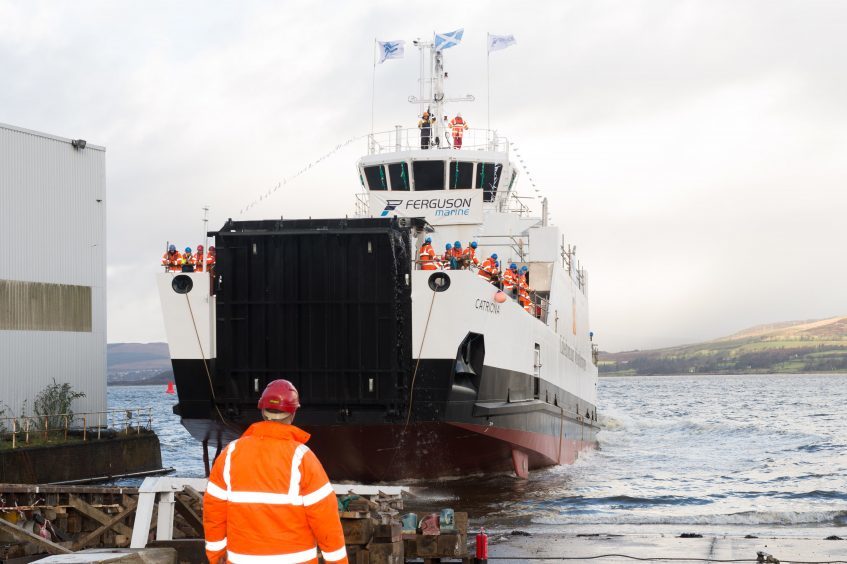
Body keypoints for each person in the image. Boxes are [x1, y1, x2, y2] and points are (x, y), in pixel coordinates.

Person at [204, 379, 348, 564]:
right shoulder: (302, 457)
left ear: (262, 411)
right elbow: (325, 519)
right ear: (293, 413)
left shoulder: (230, 454)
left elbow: (213, 512)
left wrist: (215, 557)